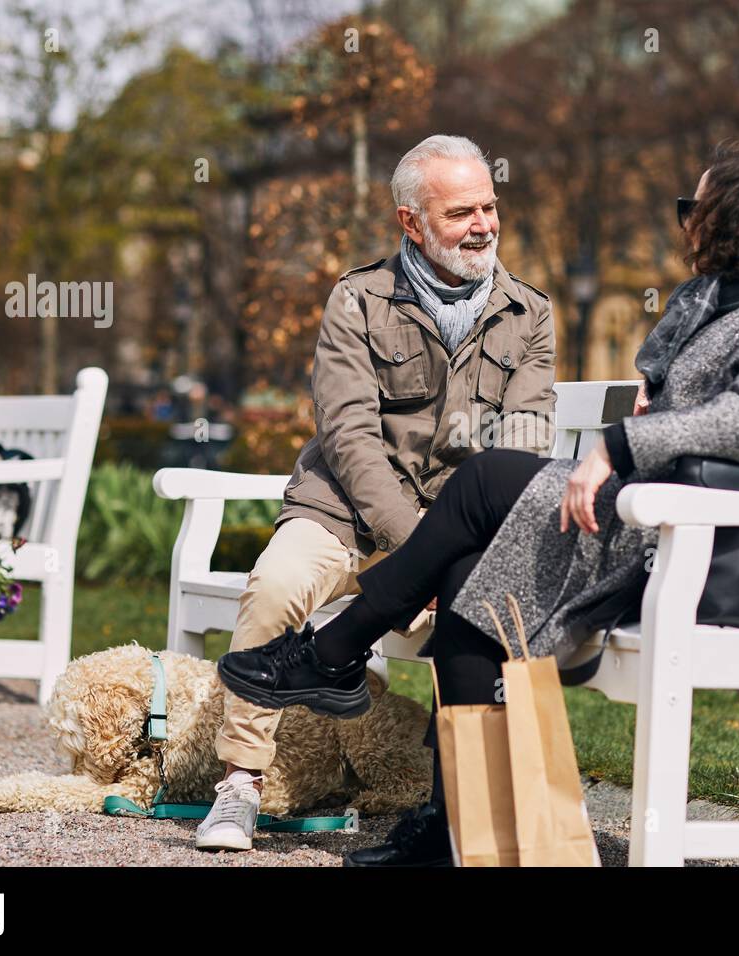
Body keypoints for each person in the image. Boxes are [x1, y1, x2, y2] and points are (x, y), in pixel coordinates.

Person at [219, 138, 739, 866]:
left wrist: (623, 445)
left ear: (738, 222)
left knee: (490, 478)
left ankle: (335, 647)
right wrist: (659, 411)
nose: (687, 223)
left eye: (696, 207)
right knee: (469, 581)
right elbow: (349, 433)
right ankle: (455, 828)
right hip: (661, 533)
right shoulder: (726, 306)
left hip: (713, 556)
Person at [195, 134, 556, 851]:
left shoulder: (529, 313)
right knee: (275, 584)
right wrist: (415, 544)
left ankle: (456, 810)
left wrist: (442, 544)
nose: (483, 224)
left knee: (484, 604)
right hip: (345, 513)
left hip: (462, 528)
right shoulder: (357, 300)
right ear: (411, 223)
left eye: (489, 206)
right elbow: (349, 436)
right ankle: (239, 785)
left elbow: (525, 441)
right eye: (460, 212)